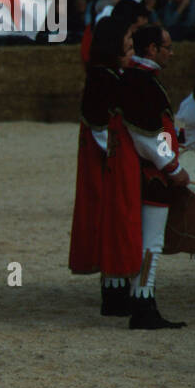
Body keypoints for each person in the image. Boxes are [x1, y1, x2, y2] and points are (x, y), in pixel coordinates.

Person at [104, 25, 190, 329]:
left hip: (141, 172)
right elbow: (148, 137)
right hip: (152, 175)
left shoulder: (134, 79)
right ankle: (143, 302)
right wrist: (174, 169)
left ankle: (140, 298)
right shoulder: (143, 83)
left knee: (145, 240)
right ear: (151, 49)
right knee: (151, 242)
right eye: (167, 47)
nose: (171, 52)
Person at [69, 16, 134, 314]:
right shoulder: (104, 79)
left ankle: (116, 290)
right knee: (111, 223)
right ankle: (115, 294)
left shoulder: (105, 75)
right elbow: (99, 126)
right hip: (107, 167)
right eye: (128, 44)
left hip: (106, 163)